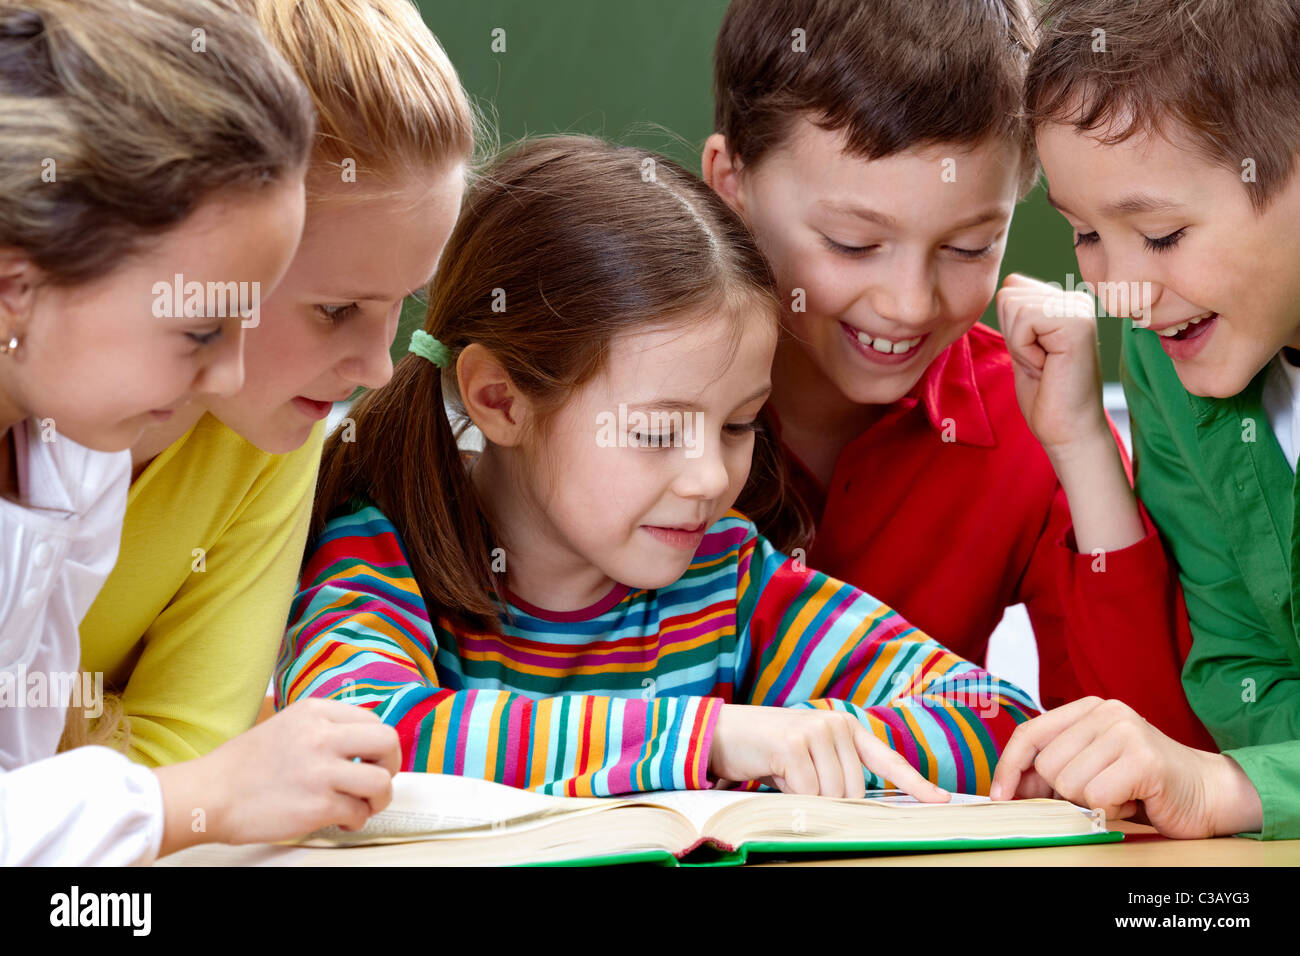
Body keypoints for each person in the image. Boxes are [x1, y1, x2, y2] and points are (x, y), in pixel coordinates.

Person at [276, 136, 1040, 799]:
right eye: (659, 431)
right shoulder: (383, 556)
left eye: (739, 424)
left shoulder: (726, 579)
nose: (709, 478)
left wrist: (805, 742)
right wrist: (714, 740)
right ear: (502, 400)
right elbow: (357, 736)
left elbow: (994, 717)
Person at [705, 0, 1213, 748]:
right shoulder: (627, 390)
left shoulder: (1030, 416)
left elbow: (1149, 760)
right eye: (851, 243)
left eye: (970, 247)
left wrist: (1080, 450)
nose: (910, 305)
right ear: (732, 183)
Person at [0, 0, 397, 866]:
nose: (226, 377)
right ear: (14, 288)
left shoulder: (71, 456)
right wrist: (194, 799)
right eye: (199, 330)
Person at [75, 0, 474, 767]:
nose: (376, 368)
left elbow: (189, 758)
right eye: (336, 309)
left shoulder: (273, 436)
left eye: (402, 304)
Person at [992, 0, 1300, 840]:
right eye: (1086, 234)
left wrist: (1241, 788)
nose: (1118, 290)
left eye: (1161, 236)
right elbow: (1239, 669)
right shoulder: (1168, 368)